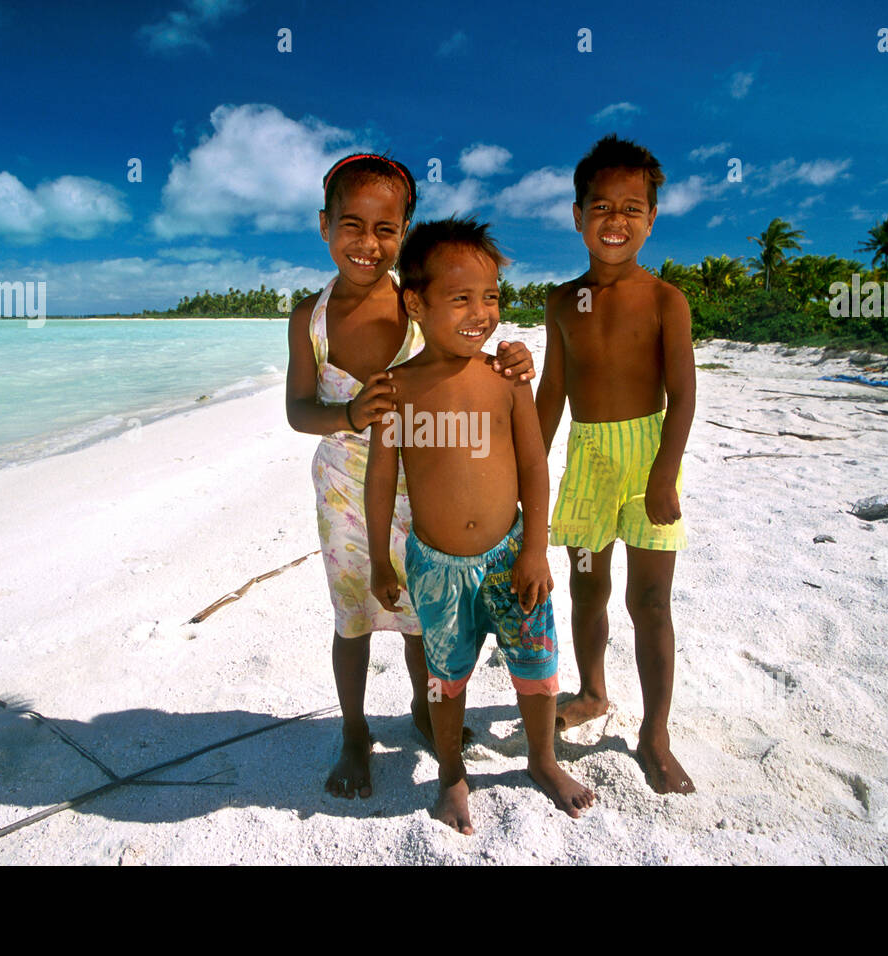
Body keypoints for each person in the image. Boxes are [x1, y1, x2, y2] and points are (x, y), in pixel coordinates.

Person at [284, 155, 535, 800]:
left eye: (386, 229)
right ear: (323, 226)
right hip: (344, 492)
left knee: (425, 620)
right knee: (356, 617)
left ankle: (427, 714)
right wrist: (346, 412)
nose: (368, 243)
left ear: (403, 232)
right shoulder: (308, 318)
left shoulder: (415, 301)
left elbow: (462, 345)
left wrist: (509, 358)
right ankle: (353, 732)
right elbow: (296, 409)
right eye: (352, 225)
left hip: (422, 490)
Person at [366, 217, 595, 834]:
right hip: (435, 566)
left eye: (491, 296)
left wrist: (537, 551)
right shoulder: (396, 389)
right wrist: (381, 563)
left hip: (510, 553)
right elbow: (382, 482)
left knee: (537, 665)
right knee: (446, 679)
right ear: (416, 303)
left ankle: (543, 760)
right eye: (461, 297)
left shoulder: (506, 379)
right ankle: (450, 775)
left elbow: (533, 467)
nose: (481, 311)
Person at [534, 135, 698, 794]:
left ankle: (654, 732)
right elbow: (551, 393)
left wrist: (665, 472)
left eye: (632, 209)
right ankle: (592, 690)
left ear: (651, 221)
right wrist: (527, 475)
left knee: (650, 599)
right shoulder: (560, 301)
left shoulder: (665, 299)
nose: (616, 221)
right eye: (601, 206)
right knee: (585, 586)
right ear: (577, 215)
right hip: (588, 460)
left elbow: (684, 393)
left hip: (651, 455)